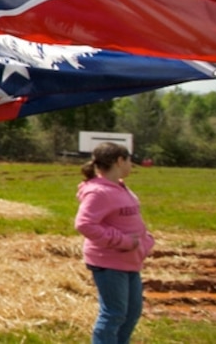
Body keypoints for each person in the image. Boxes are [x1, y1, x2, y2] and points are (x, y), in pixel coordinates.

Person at [75, 141, 155, 344]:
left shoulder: (118, 187)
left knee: (131, 313)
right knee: (114, 314)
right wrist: (123, 241)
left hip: (129, 261)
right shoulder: (98, 192)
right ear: (120, 161)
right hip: (109, 262)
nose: (131, 165)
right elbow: (84, 224)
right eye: (129, 160)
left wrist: (145, 241)